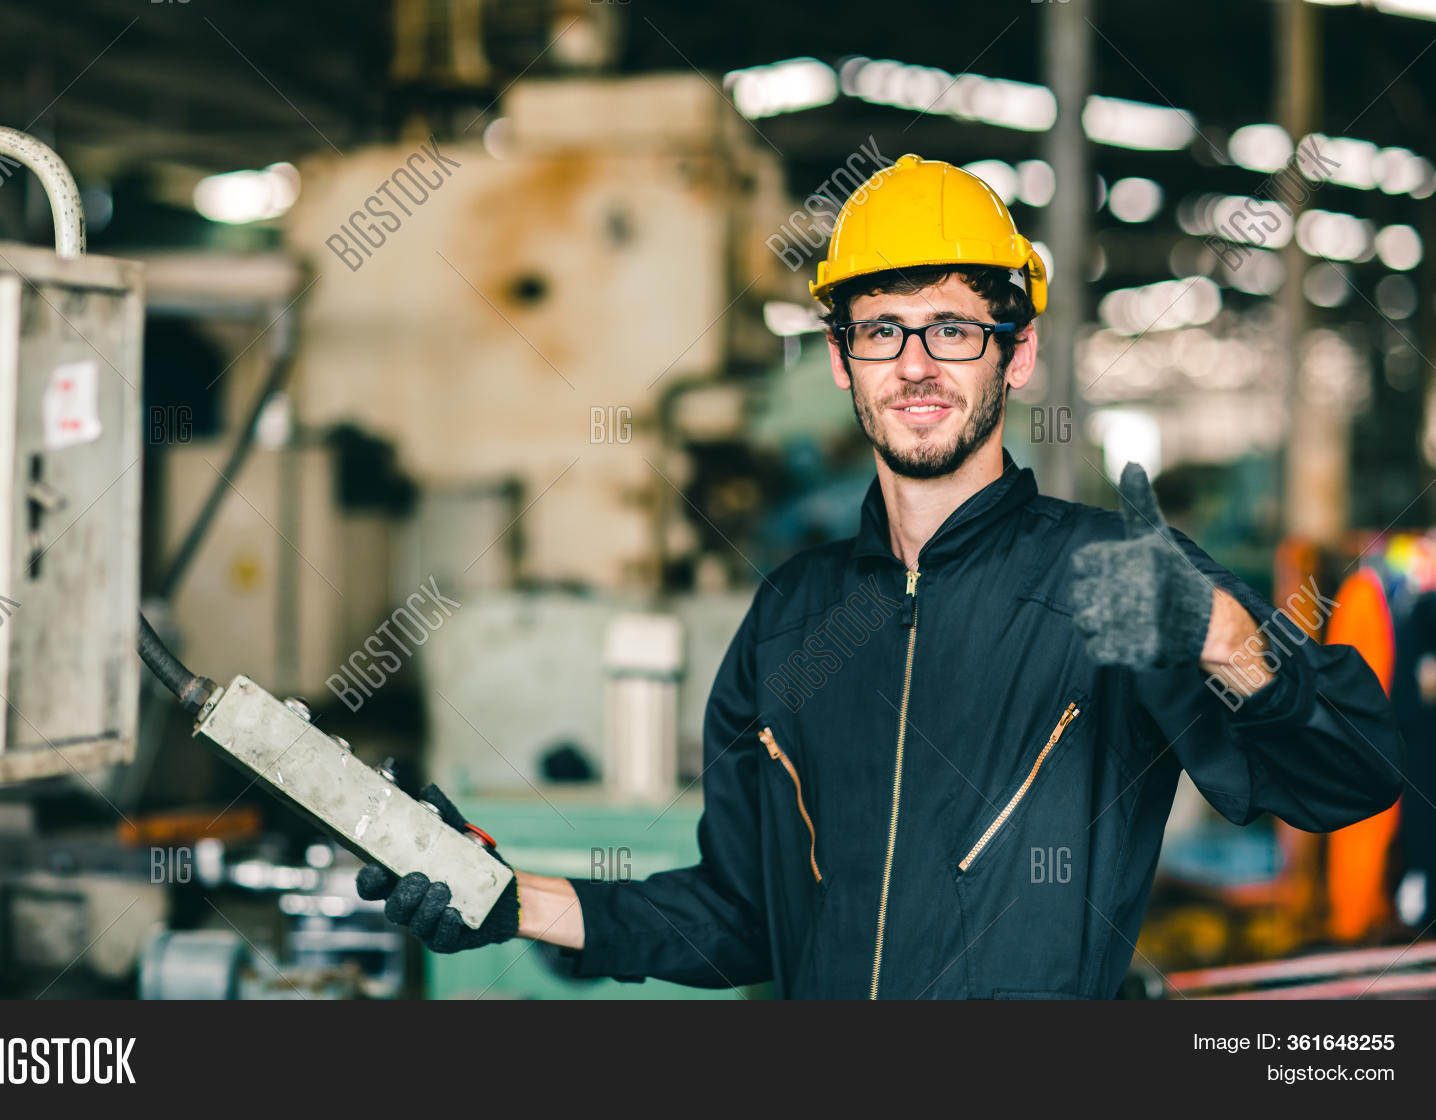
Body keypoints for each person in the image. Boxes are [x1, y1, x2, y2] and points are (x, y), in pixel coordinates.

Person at [357, 154, 1406, 999]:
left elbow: (1352, 779)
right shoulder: (792, 616)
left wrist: (1225, 639)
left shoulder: (1117, 584)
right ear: (838, 356)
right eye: (882, 329)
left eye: (953, 328)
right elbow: (740, 916)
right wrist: (509, 896)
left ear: (1018, 352)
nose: (916, 363)